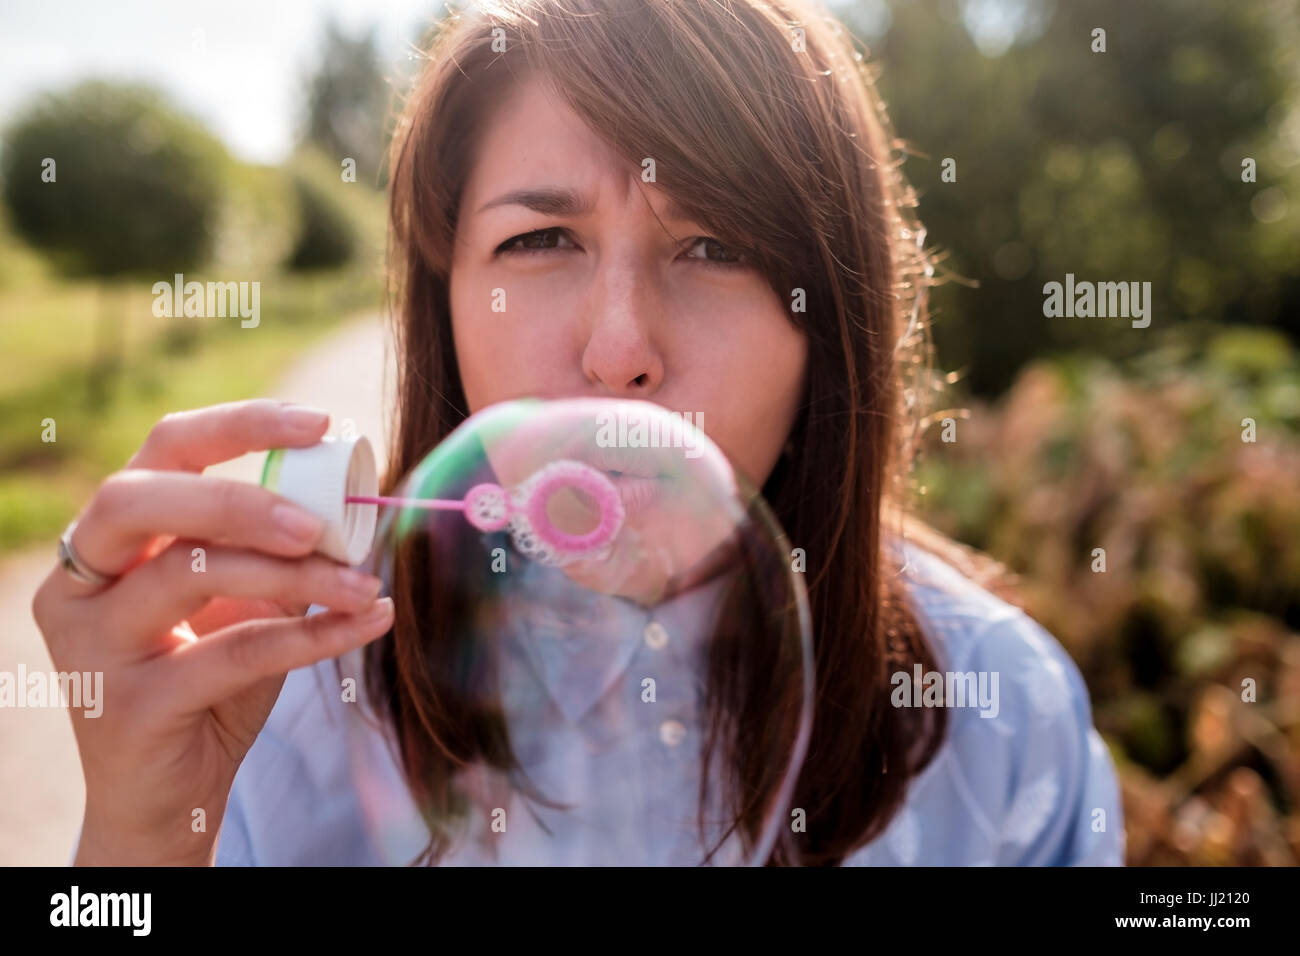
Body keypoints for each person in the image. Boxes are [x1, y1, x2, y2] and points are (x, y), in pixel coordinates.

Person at [34, 0, 1123, 866]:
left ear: (829, 319)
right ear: (442, 296)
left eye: (717, 247)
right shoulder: (282, 690)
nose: (619, 353)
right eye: (542, 238)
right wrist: (136, 842)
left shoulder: (996, 712)